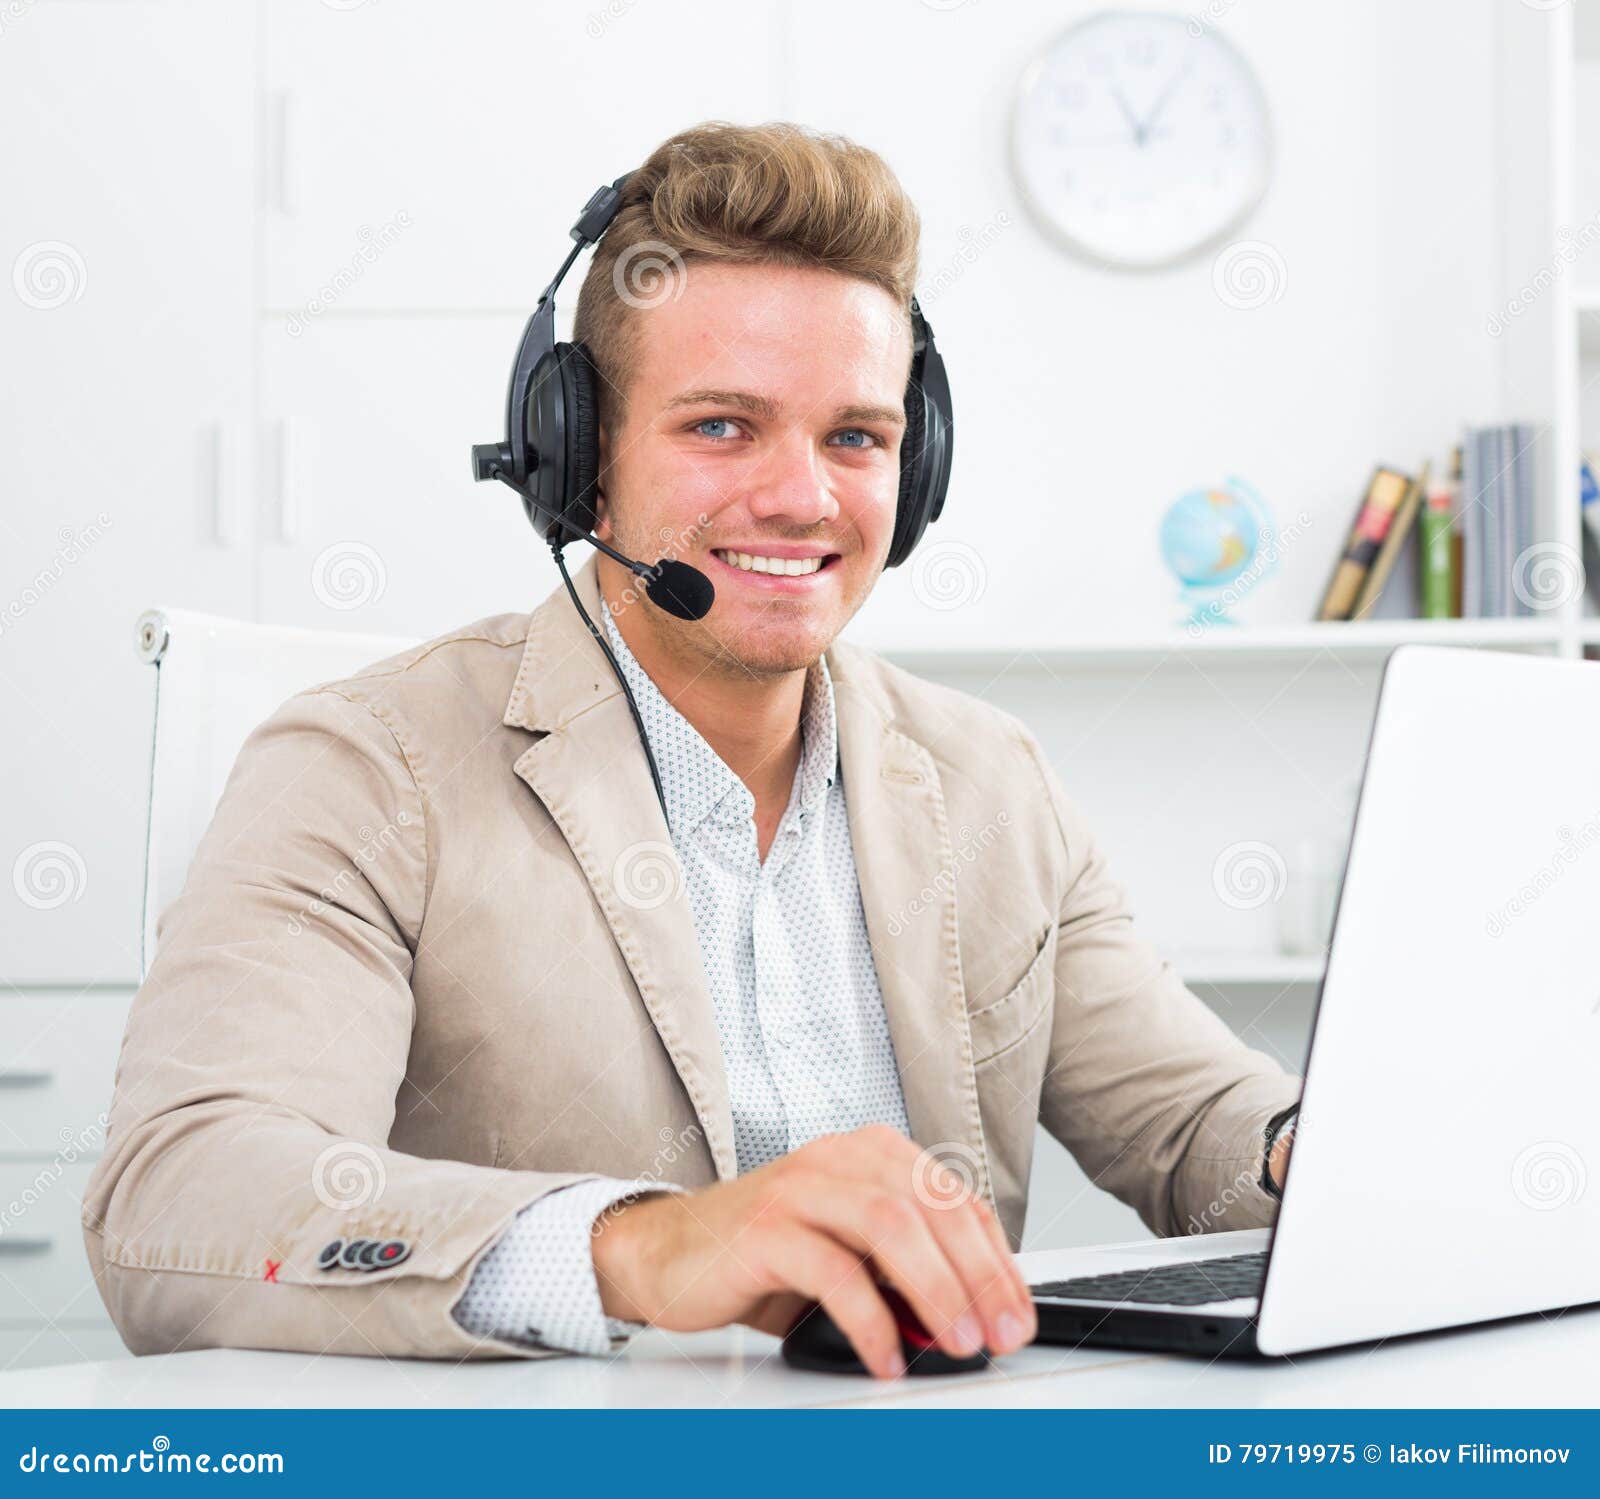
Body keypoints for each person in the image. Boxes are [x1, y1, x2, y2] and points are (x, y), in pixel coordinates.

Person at [84, 121, 1300, 1380]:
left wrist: (1302, 1148)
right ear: (577, 464)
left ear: (916, 464)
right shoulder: (365, 767)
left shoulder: (991, 779)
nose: (802, 497)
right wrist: (642, 1246)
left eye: (855, 436)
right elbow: (181, 1199)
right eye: (721, 426)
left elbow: (1191, 1120)